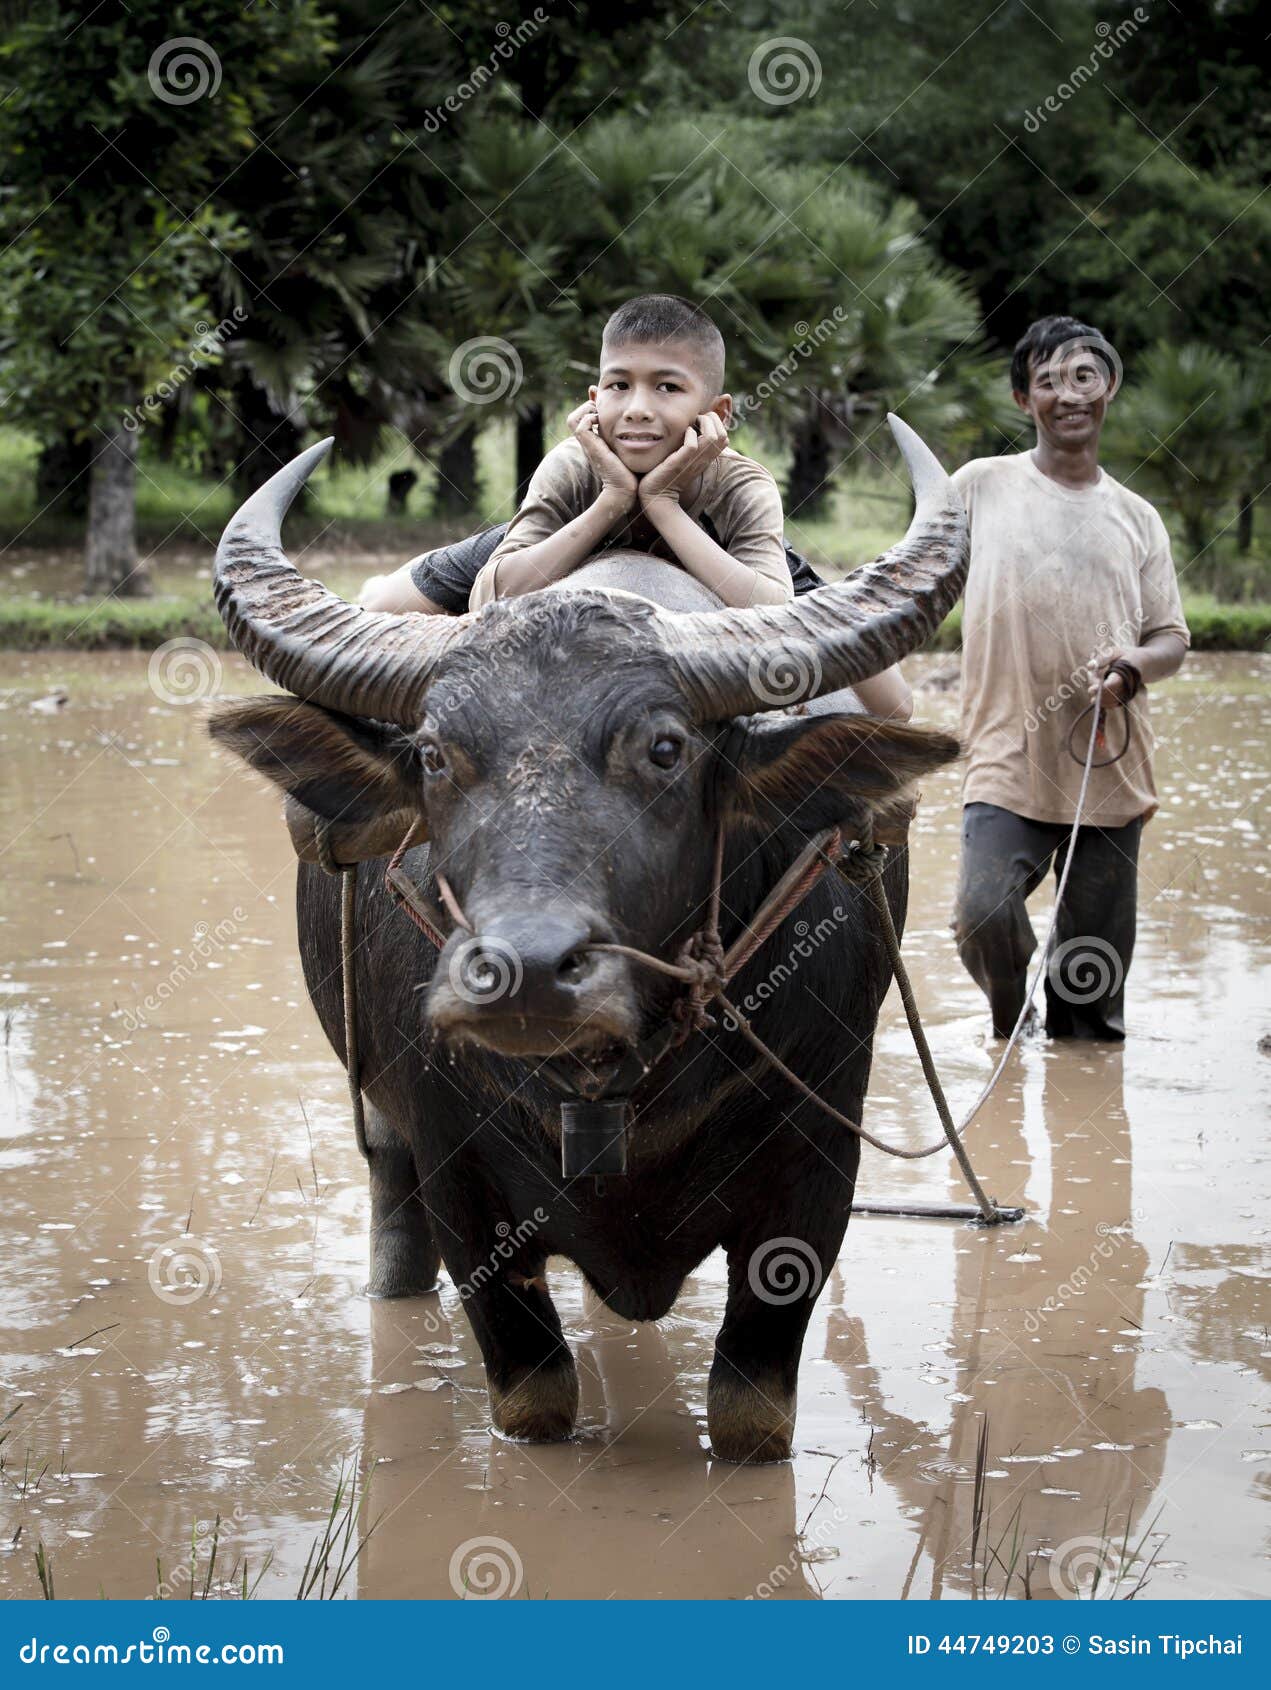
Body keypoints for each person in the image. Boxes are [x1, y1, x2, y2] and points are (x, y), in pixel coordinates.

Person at [359, 292, 911, 719]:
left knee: (893, 703)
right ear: (595, 400)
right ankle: (382, 580)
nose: (638, 409)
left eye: (667, 388)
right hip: (572, 531)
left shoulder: (742, 485)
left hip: (720, 551)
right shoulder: (573, 465)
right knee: (376, 614)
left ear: (715, 410)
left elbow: (772, 615)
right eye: (619, 386)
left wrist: (664, 504)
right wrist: (615, 499)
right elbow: (493, 598)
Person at [950, 314, 1189, 1040]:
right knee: (983, 913)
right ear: (1024, 400)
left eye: (1082, 375)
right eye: (1046, 381)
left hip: (1105, 763)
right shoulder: (978, 487)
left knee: (1091, 987)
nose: (1067, 393)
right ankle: (1005, 1017)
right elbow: (909, 583)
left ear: (1108, 386)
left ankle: (1084, 1088)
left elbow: (1170, 637)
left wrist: (1133, 667)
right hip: (1004, 750)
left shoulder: (1137, 518)